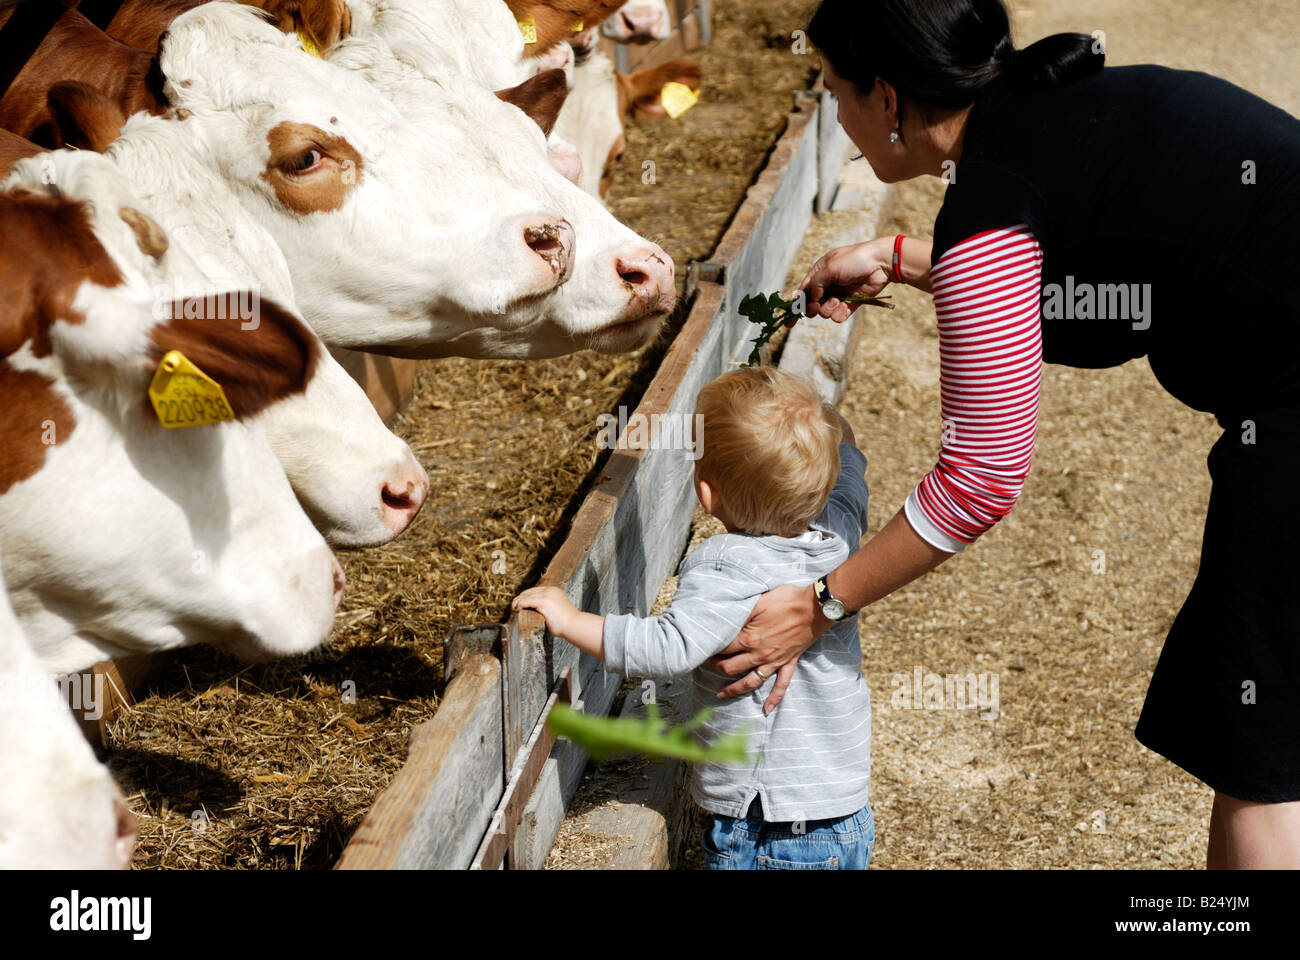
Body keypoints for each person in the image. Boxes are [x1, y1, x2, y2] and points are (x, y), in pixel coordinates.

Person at [708, 0, 1300, 869]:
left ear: (888, 97)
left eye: (835, 92)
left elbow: (982, 476)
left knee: (1265, 760)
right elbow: (1100, 282)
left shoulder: (992, 201)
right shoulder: (1047, 106)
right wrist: (909, 258)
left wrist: (822, 602)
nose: (836, 115)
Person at [514, 366, 875, 869]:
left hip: (765, 821)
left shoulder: (726, 565)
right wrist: (820, 424)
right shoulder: (840, 533)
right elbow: (851, 467)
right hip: (843, 810)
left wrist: (571, 618)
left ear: (706, 492)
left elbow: (666, 647)